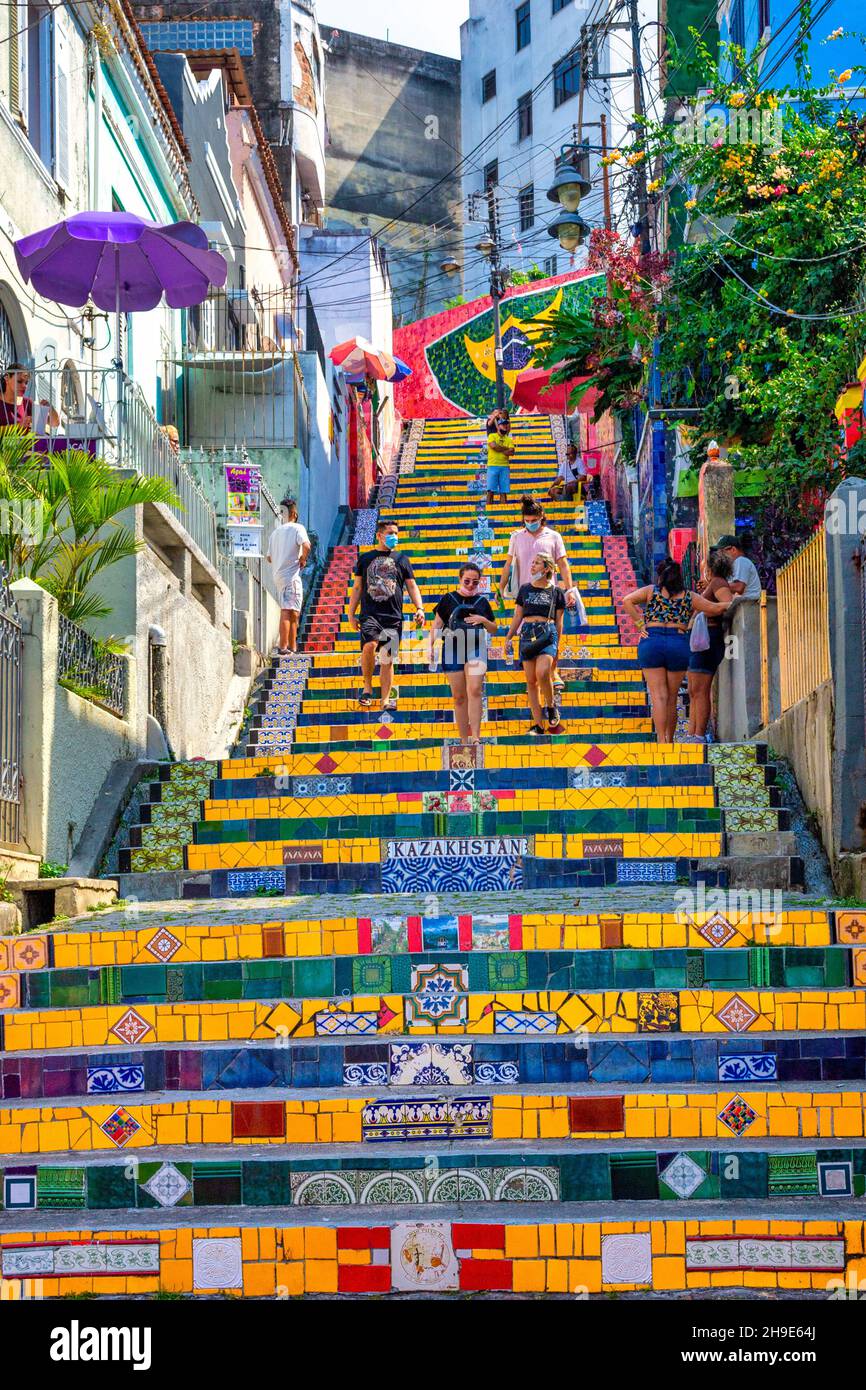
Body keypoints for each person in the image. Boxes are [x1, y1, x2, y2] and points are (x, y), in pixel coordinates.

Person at [622, 558, 731, 743]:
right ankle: (670, 740)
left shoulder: (651, 591)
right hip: (677, 644)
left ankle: (662, 743)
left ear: (661, 577)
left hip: (652, 642)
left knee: (658, 696)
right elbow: (714, 608)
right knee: (672, 697)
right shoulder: (689, 596)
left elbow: (627, 600)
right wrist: (734, 601)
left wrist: (640, 624)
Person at [498, 496, 577, 693]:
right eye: (527, 520)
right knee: (527, 634)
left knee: (554, 632)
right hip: (525, 592)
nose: (531, 524)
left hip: (549, 593)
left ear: (542, 517)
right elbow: (509, 563)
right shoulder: (516, 536)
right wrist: (500, 587)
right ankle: (532, 679)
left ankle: (553, 670)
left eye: (534, 520)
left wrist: (569, 590)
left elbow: (563, 564)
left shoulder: (553, 536)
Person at [348, 518, 425, 711]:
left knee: (387, 657)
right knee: (369, 646)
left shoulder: (402, 560)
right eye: (390, 533)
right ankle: (367, 687)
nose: (394, 537)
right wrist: (351, 614)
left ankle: (384, 700)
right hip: (370, 614)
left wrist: (420, 608)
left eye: (396, 533)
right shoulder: (365, 559)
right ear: (379, 536)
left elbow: (412, 586)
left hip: (393, 616)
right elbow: (357, 587)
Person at [430, 562, 497, 742]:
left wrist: (483, 619)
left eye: (475, 583)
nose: (470, 586)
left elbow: (493, 629)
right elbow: (437, 624)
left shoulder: (482, 602)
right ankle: (463, 738)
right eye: (467, 581)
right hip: (452, 647)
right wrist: (431, 645)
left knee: (475, 689)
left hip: (475, 646)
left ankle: (475, 736)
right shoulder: (448, 598)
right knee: (459, 696)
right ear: (460, 579)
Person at [506, 553, 567, 735]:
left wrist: (557, 646)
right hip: (527, 634)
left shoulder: (556, 592)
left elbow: (559, 621)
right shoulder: (524, 589)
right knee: (531, 682)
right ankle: (538, 725)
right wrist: (509, 636)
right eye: (532, 562)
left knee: (542, 673)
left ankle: (551, 706)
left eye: (537, 563)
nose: (532, 565)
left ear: (547, 568)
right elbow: (518, 615)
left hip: (547, 634)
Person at [687, 550, 735, 739]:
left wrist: (706, 611)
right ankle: (692, 733)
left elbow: (728, 603)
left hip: (708, 640)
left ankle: (699, 735)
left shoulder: (718, 583)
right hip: (700, 641)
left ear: (709, 566)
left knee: (700, 690)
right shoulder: (713, 583)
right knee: (693, 690)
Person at [267, 497, 311, 655]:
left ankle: (292, 647)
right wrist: (302, 559)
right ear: (294, 513)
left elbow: (269, 557)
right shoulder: (297, 528)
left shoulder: (274, 533)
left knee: (294, 612)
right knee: (288, 611)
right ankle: (284, 647)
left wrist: (282, 557)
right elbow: (306, 545)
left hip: (278, 576)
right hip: (290, 576)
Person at [0, 363, 59, 430]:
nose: (24, 386)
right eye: (19, 381)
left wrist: (50, 408)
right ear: (7, 378)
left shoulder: (26, 403)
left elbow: (55, 423)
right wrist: (18, 426)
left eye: (26, 383)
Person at [716, 533, 762, 601]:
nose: (719, 555)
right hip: (743, 604)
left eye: (722, 551)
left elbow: (739, 587)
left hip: (748, 605)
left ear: (733, 549)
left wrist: (715, 585)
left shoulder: (741, 561)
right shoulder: (734, 564)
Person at [485, 412, 515, 504]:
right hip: (492, 466)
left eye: (506, 424)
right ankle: (489, 513)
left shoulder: (509, 439)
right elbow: (494, 446)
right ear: (498, 426)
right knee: (490, 491)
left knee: (504, 492)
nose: (505, 426)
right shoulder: (492, 436)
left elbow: (512, 452)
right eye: (503, 424)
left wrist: (500, 448)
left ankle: (504, 513)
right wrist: (505, 449)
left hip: (504, 467)